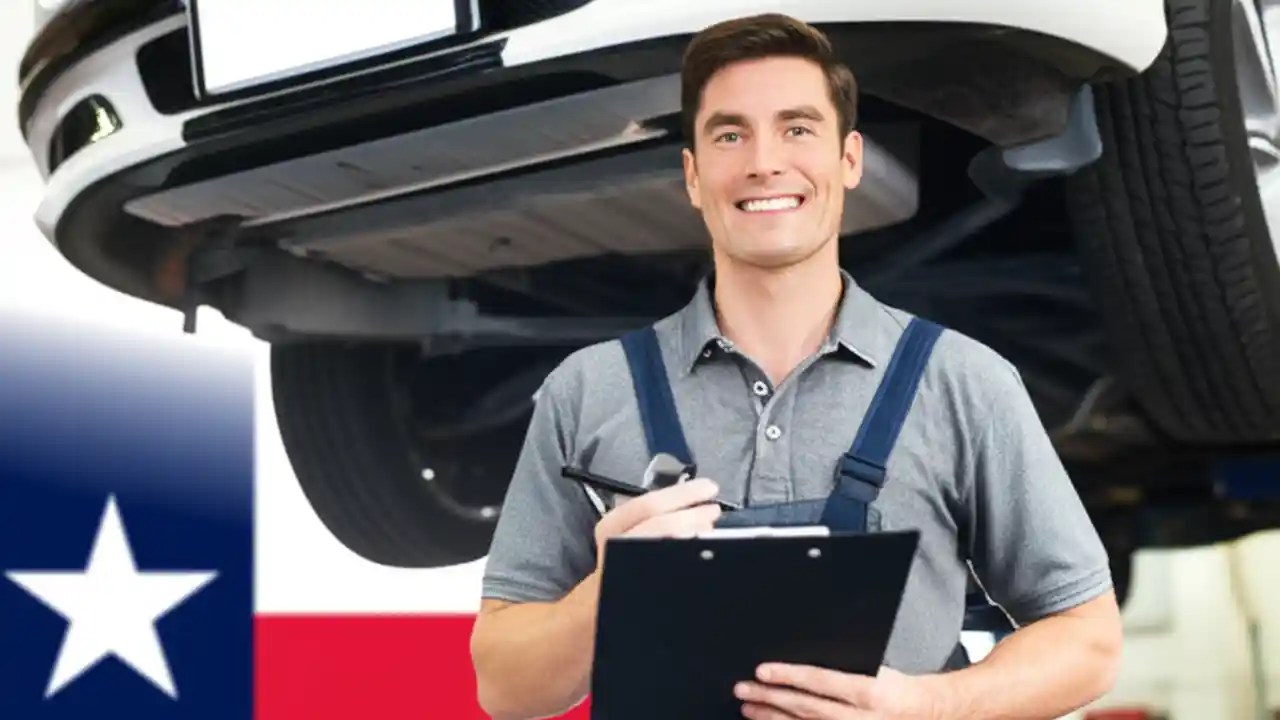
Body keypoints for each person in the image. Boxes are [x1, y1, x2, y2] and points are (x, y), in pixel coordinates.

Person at [470, 12, 1123, 720]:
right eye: (729, 134)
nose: (763, 162)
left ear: (849, 159)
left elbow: (1088, 642)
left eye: (797, 128)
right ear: (692, 174)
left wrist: (928, 706)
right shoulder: (587, 391)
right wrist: (608, 592)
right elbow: (506, 690)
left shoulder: (964, 383)